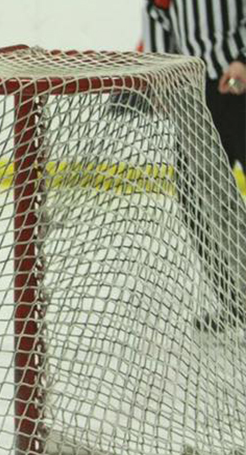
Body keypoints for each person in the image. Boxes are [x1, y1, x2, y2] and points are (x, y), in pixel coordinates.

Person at [142, 0, 246, 332]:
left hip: (240, 83)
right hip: (195, 94)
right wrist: (160, 74)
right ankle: (236, 301)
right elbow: (157, 11)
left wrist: (244, 59)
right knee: (194, 199)